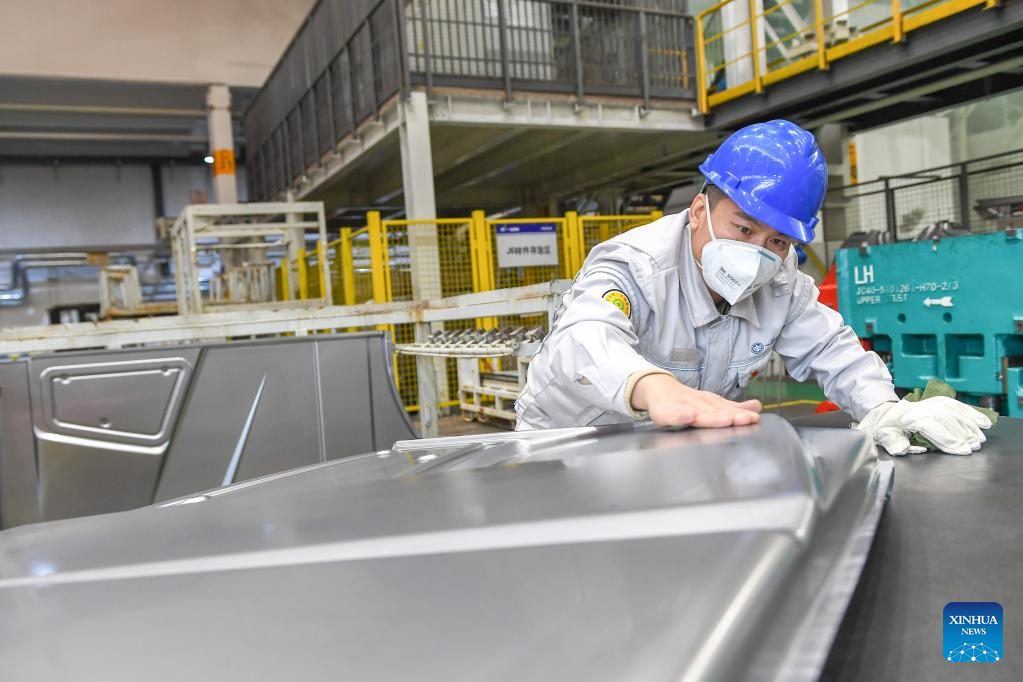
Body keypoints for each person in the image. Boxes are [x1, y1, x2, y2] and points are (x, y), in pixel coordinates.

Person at [514, 120, 991, 455]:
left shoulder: (780, 281)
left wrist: (883, 409)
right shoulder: (636, 265)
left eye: (777, 240)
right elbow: (583, 336)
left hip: (667, 452)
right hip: (565, 447)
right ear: (700, 211)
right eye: (744, 229)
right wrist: (649, 384)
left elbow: (834, 350)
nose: (759, 252)